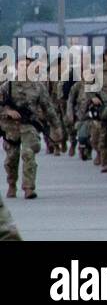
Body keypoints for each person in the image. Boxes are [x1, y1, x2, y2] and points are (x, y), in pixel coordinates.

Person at [1, 52, 63, 199]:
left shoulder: (38, 87)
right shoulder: (6, 87)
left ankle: (29, 187)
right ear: (16, 67)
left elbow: (48, 108)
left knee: (28, 154)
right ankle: (11, 184)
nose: (25, 68)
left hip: (29, 126)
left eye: (28, 65)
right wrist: (8, 111)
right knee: (11, 158)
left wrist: (56, 127)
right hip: (10, 128)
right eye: (22, 65)